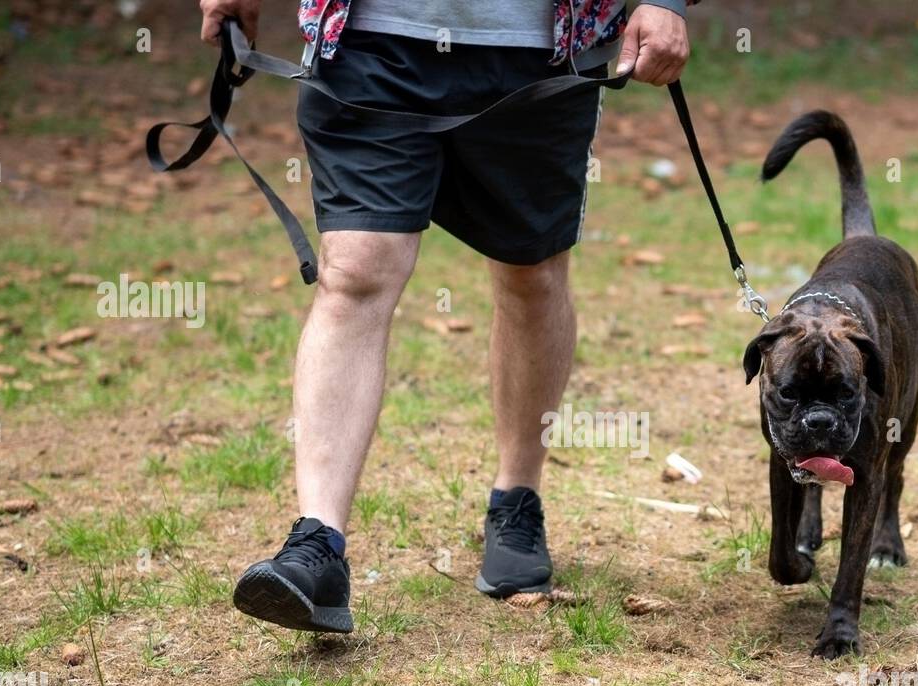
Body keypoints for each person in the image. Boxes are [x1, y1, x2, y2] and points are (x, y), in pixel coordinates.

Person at [198, 0, 694, 633]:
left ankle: (517, 499)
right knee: (354, 272)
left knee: (531, 274)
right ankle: (317, 544)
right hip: (370, 40)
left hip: (539, 47)